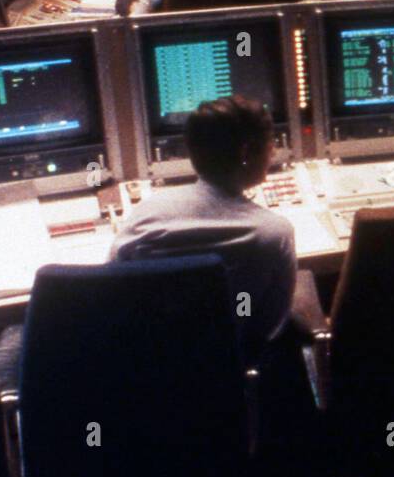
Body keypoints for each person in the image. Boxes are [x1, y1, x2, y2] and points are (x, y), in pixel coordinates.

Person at [109, 96, 297, 362]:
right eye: (271, 144)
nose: (274, 153)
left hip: (147, 373)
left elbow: (111, 291)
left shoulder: (145, 217)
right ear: (245, 154)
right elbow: (269, 327)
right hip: (229, 377)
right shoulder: (274, 233)